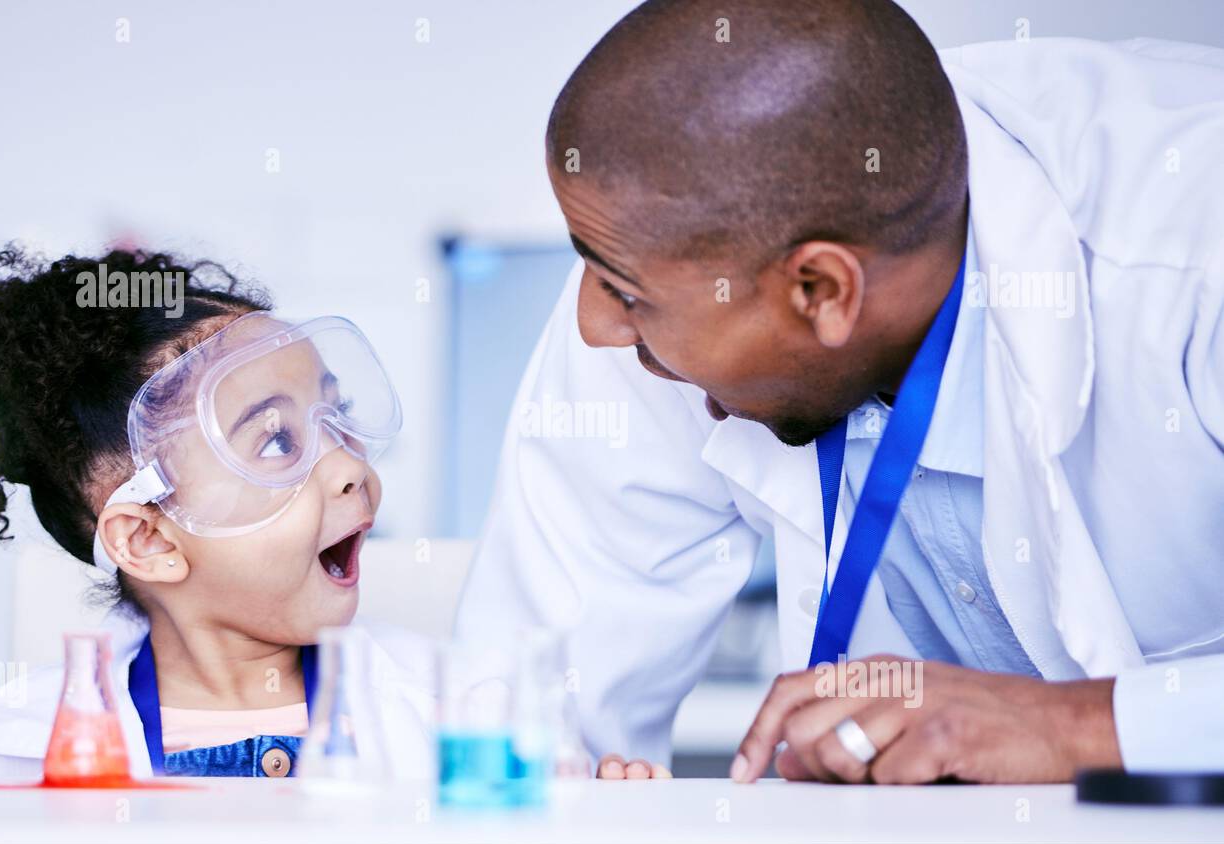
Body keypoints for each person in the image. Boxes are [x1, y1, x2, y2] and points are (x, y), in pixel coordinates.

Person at [456, 0, 1224, 783]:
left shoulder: (1190, 248)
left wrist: (1078, 725)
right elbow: (524, 710)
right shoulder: (669, 255)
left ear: (822, 289)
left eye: (620, 292)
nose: (594, 325)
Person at [0, 247, 434, 778]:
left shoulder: (452, 709)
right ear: (150, 541)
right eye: (278, 440)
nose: (348, 465)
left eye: (338, 413)